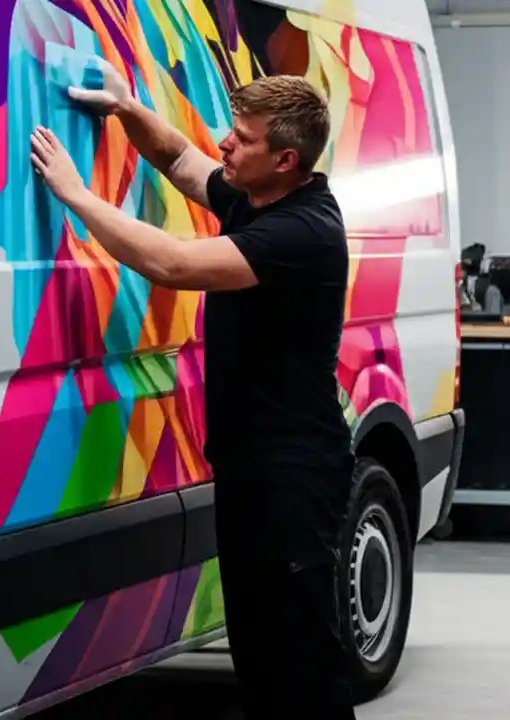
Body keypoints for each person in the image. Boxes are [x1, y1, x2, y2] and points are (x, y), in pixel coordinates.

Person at [29, 60, 358, 720]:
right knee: (261, 651)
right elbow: (178, 158)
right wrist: (125, 109)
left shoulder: (301, 232)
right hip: (253, 466)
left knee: (297, 659)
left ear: (286, 158)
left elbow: (172, 263)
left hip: (293, 475)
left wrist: (74, 193)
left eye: (242, 136)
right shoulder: (258, 195)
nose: (224, 143)